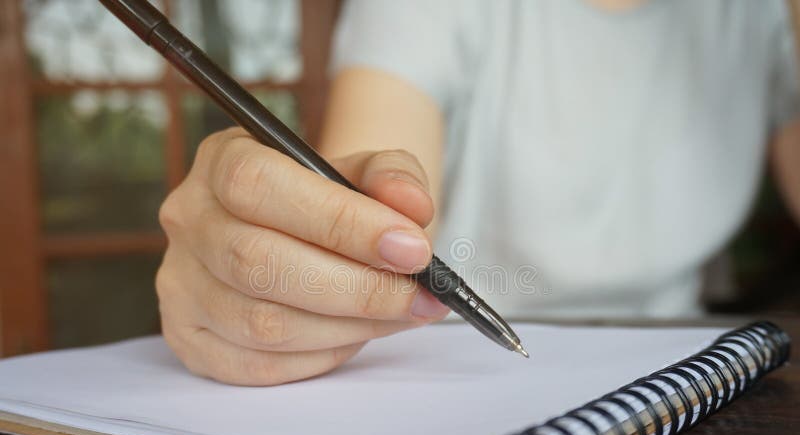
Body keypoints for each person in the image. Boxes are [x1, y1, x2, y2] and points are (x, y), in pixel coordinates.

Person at [155, 0, 800, 385]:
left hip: (694, 379)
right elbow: (376, 190)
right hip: (446, 368)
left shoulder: (764, 14)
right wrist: (289, 257)